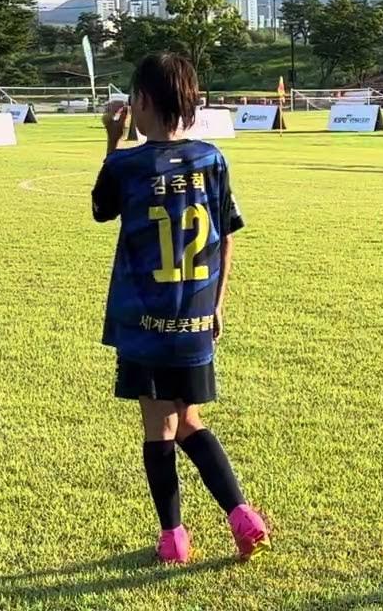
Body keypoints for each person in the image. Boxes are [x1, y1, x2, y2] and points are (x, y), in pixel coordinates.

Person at [92, 52, 271, 565]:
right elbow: (228, 234)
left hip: (146, 320)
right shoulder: (212, 159)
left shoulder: (127, 163)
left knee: (160, 428)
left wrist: (111, 136)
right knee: (188, 418)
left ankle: (173, 538)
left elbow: (102, 209)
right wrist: (217, 303)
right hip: (197, 316)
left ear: (141, 101)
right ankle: (242, 514)